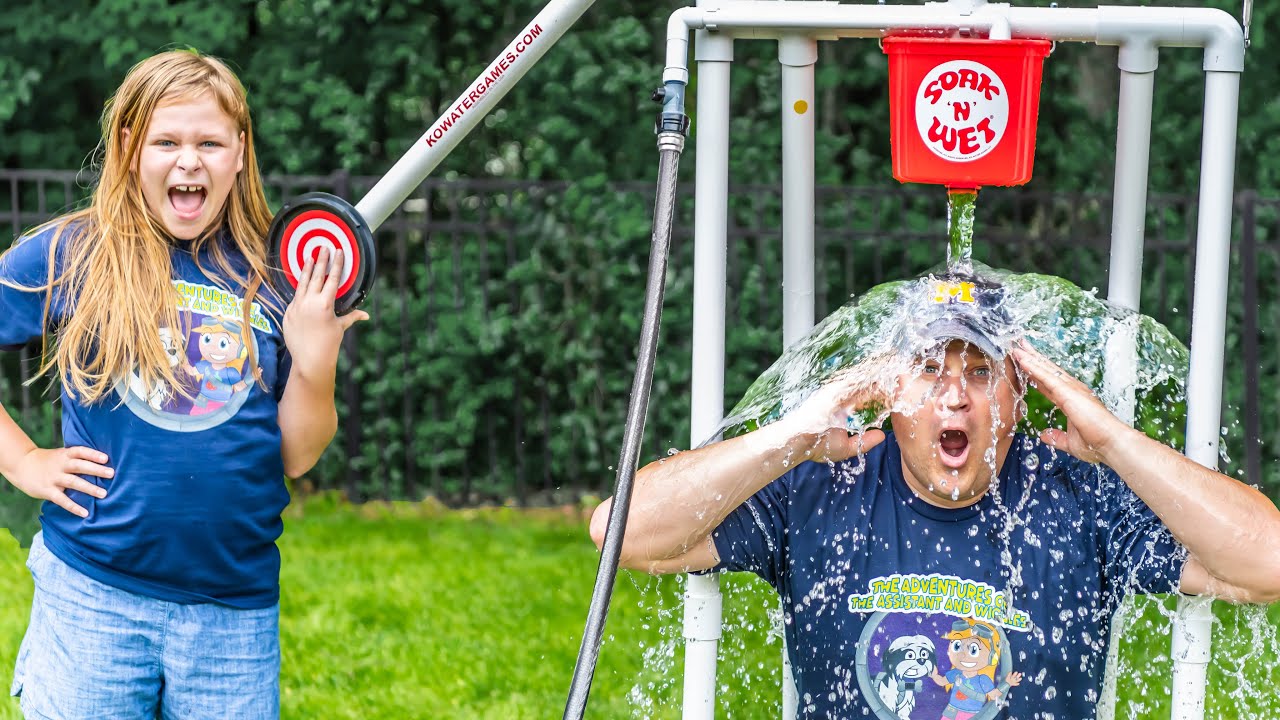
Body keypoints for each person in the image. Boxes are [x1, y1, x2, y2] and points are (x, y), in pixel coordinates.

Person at [590, 272, 1280, 720]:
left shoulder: (1081, 496)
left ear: (1019, 395)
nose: (954, 395)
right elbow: (619, 533)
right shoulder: (822, 486)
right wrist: (790, 436)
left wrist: (1113, 439)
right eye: (926, 369)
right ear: (887, 393)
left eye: (981, 372)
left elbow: (1267, 562)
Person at [1, 50, 367, 719]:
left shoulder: (275, 274)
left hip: (233, 614)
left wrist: (316, 360)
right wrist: (23, 459)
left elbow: (299, 454)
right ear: (128, 147)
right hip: (94, 598)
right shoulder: (76, 253)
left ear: (239, 153)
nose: (189, 160)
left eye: (209, 142)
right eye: (166, 141)